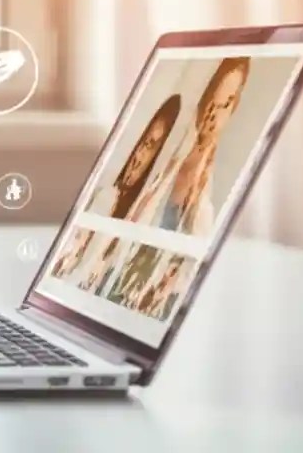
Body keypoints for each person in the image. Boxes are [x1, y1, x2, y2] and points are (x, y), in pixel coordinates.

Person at [131, 58, 252, 236]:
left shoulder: (215, 187)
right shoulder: (170, 152)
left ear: (234, 106)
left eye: (225, 103)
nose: (213, 114)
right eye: (213, 99)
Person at [85, 95, 182, 220]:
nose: (138, 154)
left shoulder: (144, 215)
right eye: (141, 141)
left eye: (149, 146)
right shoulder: (102, 194)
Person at [132, 255, 189, 321]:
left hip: (163, 288)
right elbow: (165, 278)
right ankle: (144, 310)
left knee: (154, 300)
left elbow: (166, 278)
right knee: (154, 300)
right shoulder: (174, 269)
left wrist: (161, 286)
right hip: (162, 288)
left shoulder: (174, 269)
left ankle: (145, 310)